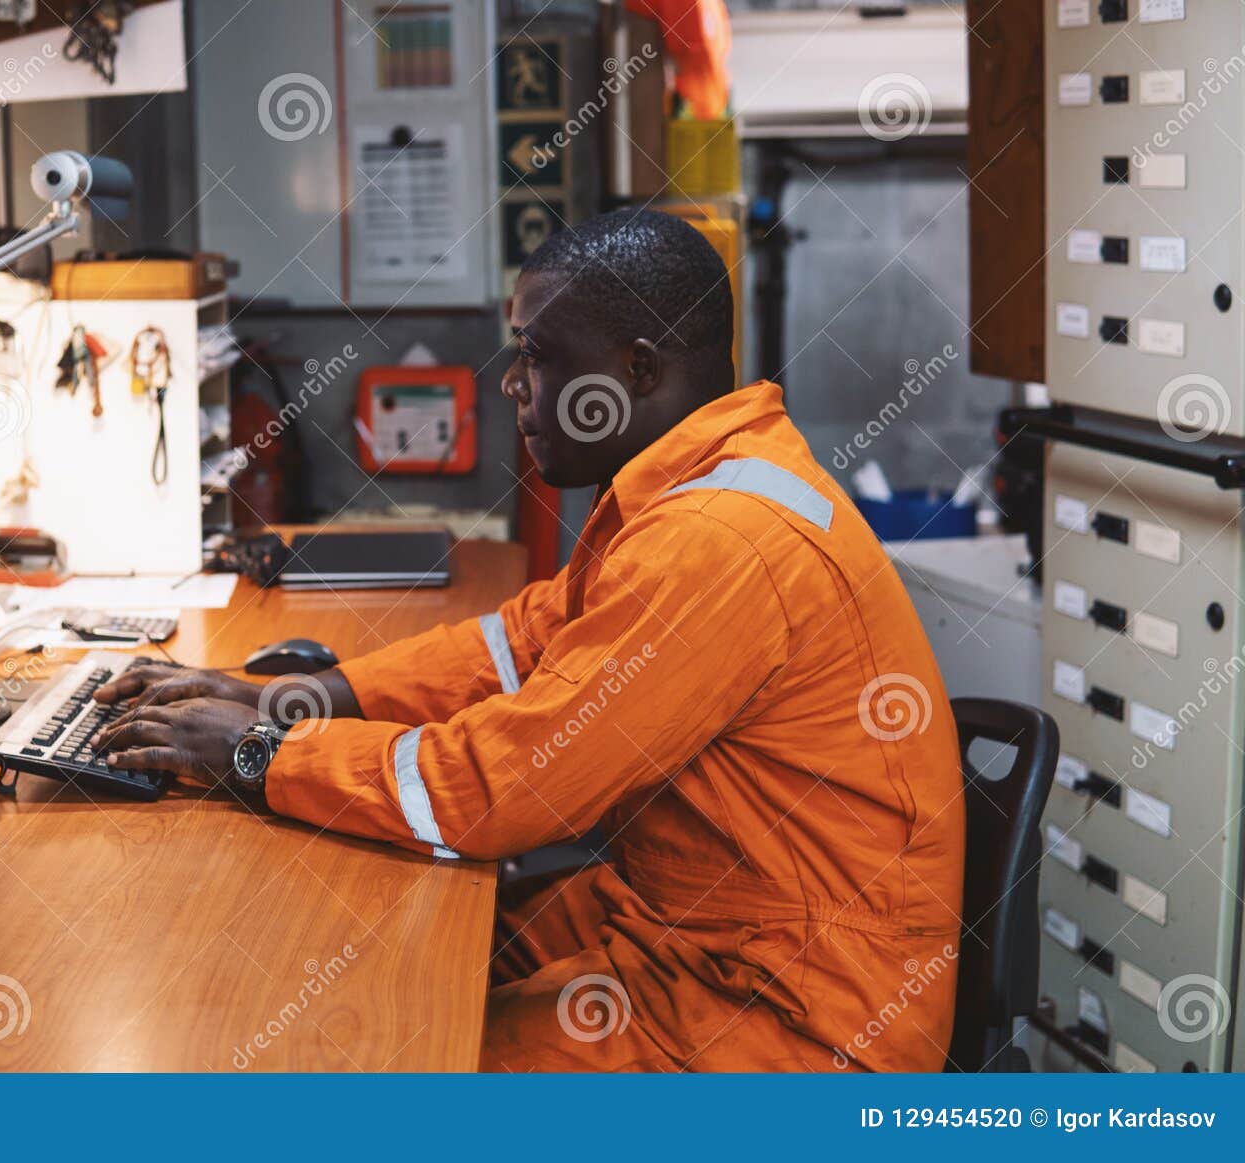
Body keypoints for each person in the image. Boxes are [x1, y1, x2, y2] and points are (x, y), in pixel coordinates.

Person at [89, 208, 965, 1072]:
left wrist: (257, 754)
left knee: (386, 1051)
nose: (512, 384)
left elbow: (497, 791)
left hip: (796, 1019)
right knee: (381, 959)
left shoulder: (717, 542)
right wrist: (287, 696)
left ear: (640, 370)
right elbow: (520, 642)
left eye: (539, 358)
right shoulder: (694, 484)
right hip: (691, 922)